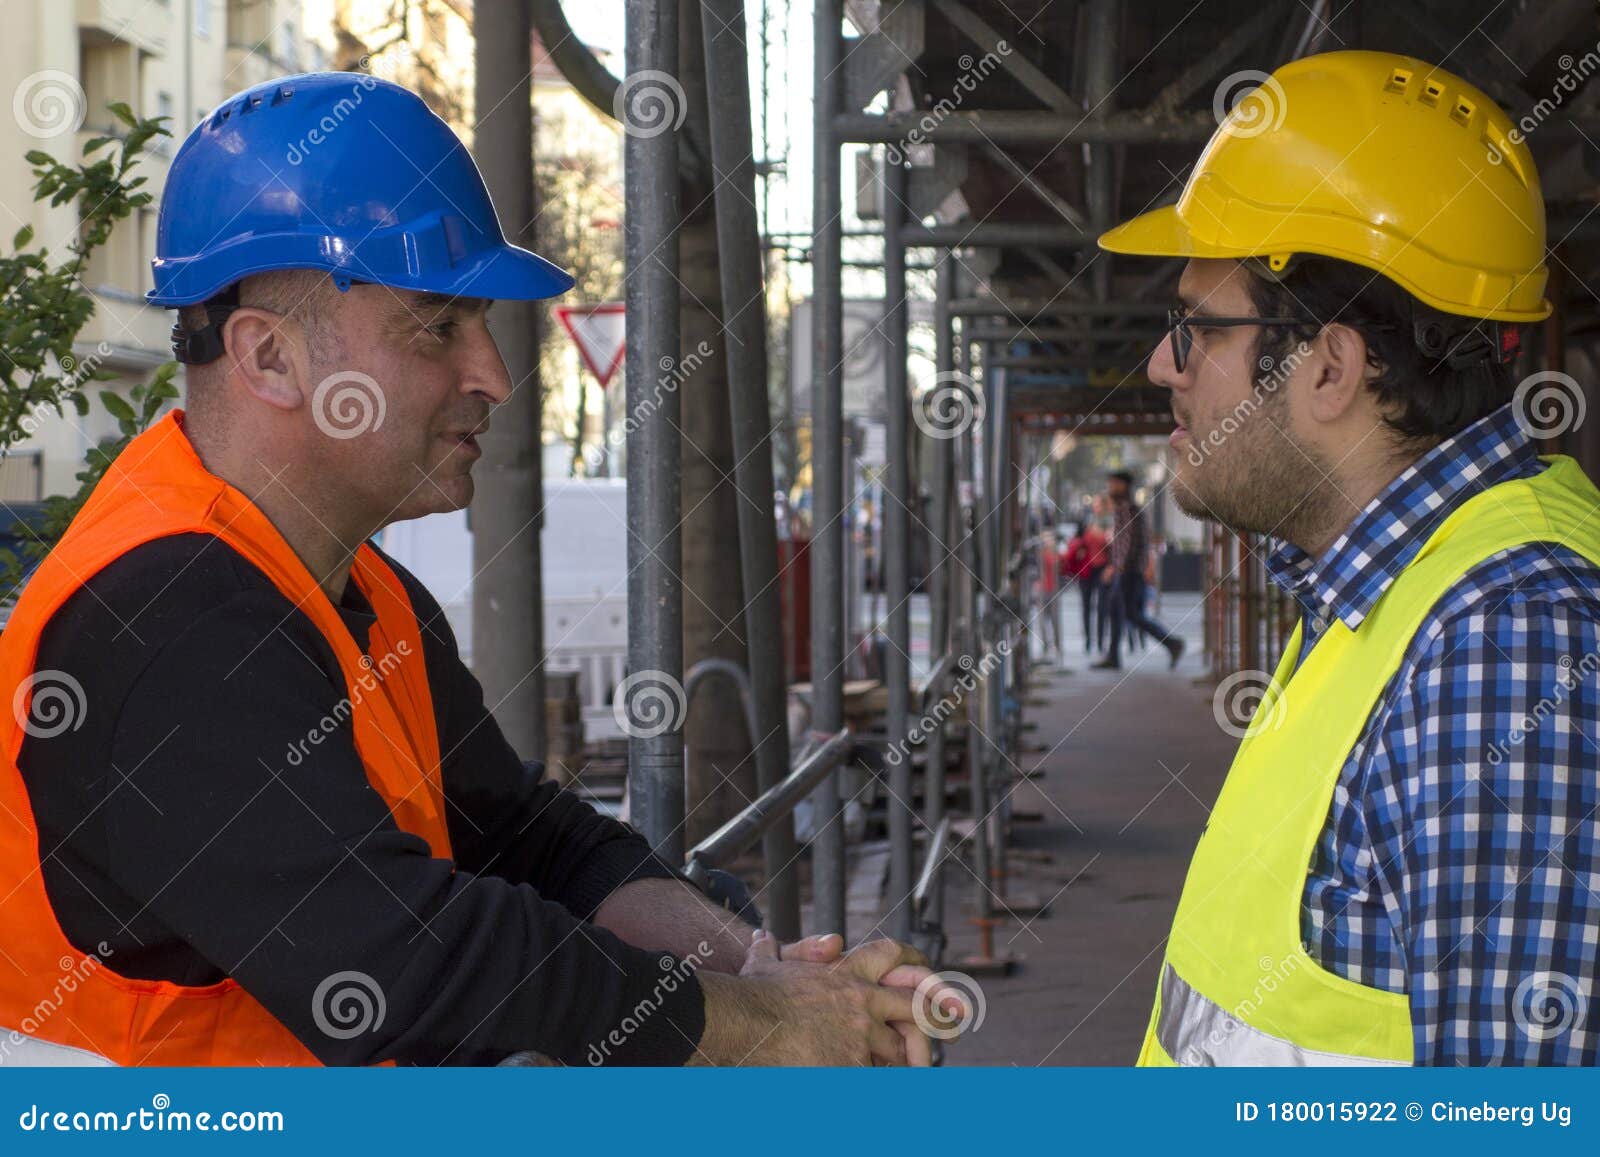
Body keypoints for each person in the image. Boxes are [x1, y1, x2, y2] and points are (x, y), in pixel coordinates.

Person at [0, 73, 945, 1068]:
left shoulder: (360, 593)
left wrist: (760, 967)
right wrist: (761, 1025)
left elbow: (532, 842)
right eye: (436, 325)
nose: (492, 372)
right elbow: (408, 959)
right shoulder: (163, 621)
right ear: (270, 357)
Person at [1099, 49, 1600, 1065]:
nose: (1162, 365)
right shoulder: (1381, 597)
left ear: (1329, 366)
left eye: (1195, 331)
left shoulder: (1503, 649)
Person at [1092, 471, 1185, 670]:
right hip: (1126, 571)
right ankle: (1113, 656)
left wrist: (1118, 567)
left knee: (1132, 614)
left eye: (1114, 484)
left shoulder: (1129, 511)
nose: (1110, 488)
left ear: (1124, 486)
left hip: (1129, 572)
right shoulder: (1123, 510)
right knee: (1116, 611)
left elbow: (1130, 544)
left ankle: (1172, 643)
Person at [1062, 520, 1108, 652]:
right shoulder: (1084, 536)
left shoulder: (1102, 535)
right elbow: (1072, 552)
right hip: (1087, 573)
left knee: (1101, 608)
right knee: (1087, 607)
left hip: (1100, 571)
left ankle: (1099, 641)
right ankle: (1089, 641)